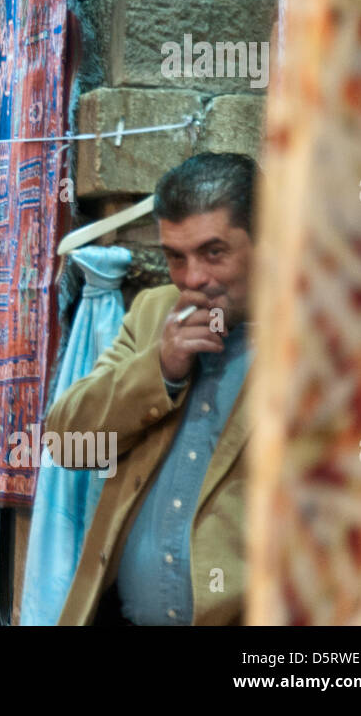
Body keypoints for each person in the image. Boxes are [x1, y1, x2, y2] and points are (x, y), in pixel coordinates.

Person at [46, 152, 257, 625]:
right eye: (175, 258)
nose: (194, 278)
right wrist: (160, 368)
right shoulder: (153, 314)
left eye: (214, 252)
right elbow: (66, 442)